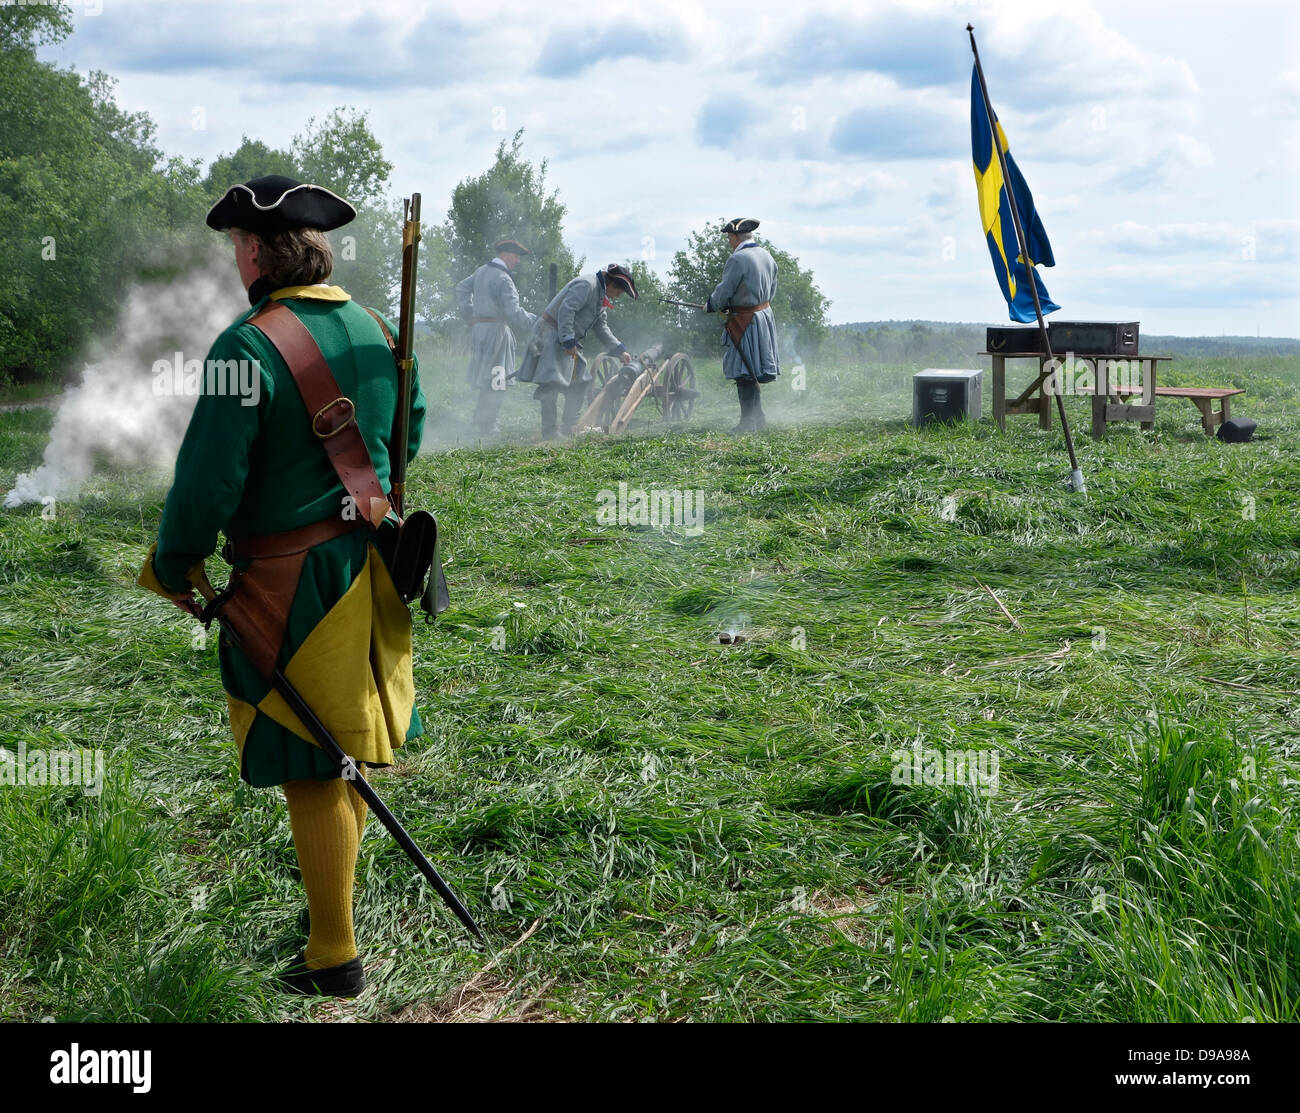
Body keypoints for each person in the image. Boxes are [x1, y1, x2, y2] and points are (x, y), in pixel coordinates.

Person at [136, 174, 426, 998]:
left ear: (258, 250)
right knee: (344, 750)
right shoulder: (380, 328)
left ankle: (334, 955)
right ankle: (333, 924)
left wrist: (177, 561)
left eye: (235, 245)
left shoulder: (246, 345)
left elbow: (206, 485)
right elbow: (410, 431)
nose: (234, 260)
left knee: (314, 761)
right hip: (372, 565)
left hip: (294, 582)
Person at [516, 263, 637, 439]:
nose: (616, 296)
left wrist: (619, 350)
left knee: (582, 381)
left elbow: (601, 328)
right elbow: (567, 310)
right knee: (551, 383)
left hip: (564, 338)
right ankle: (550, 432)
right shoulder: (587, 285)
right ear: (611, 284)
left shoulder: (600, 296)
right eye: (618, 292)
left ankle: (569, 426)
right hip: (551, 333)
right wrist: (568, 340)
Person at [454, 238, 536, 436]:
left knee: (487, 376)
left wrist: (469, 314)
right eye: (516, 256)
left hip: (480, 331)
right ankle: (488, 424)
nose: (517, 261)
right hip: (496, 333)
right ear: (505, 255)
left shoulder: (481, 271)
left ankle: (480, 419)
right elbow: (514, 312)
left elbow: (461, 288)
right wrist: (536, 321)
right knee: (498, 377)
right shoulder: (504, 279)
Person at [706, 218, 779, 432]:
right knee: (751, 370)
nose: (729, 242)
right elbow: (771, 290)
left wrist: (712, 304)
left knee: (744, 371)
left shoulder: (738, 259)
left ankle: (747, 424)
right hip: (763, 316)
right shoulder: (767, 255)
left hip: (746, 320)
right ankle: (759, 419)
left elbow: (725, 289)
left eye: (729, 237)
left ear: (737, 237)